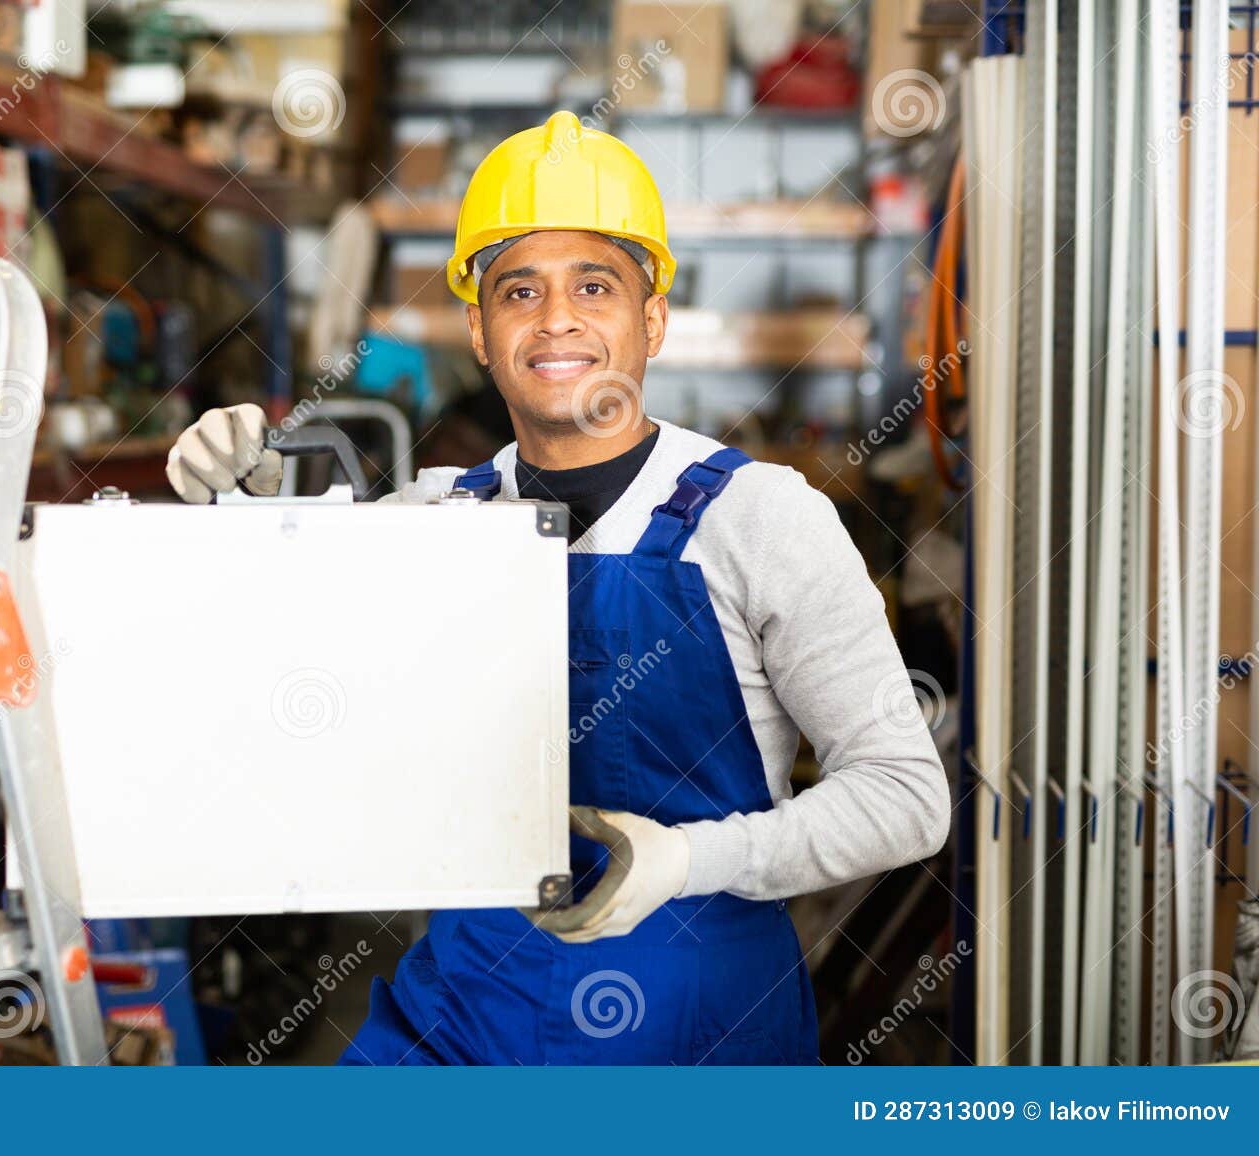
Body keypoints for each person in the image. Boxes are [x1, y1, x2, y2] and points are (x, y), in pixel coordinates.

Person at [165, 111, 950, 1065]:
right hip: (463, 1020)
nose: (557, 320)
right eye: (519, 291)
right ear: (480, 331)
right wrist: (245, 506)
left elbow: (908, 797)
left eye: (594, 286)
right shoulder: (437, 518)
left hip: (695, 1035)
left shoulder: (759, 519)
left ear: (651, 316)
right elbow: (278, 675)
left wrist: (690, 859)